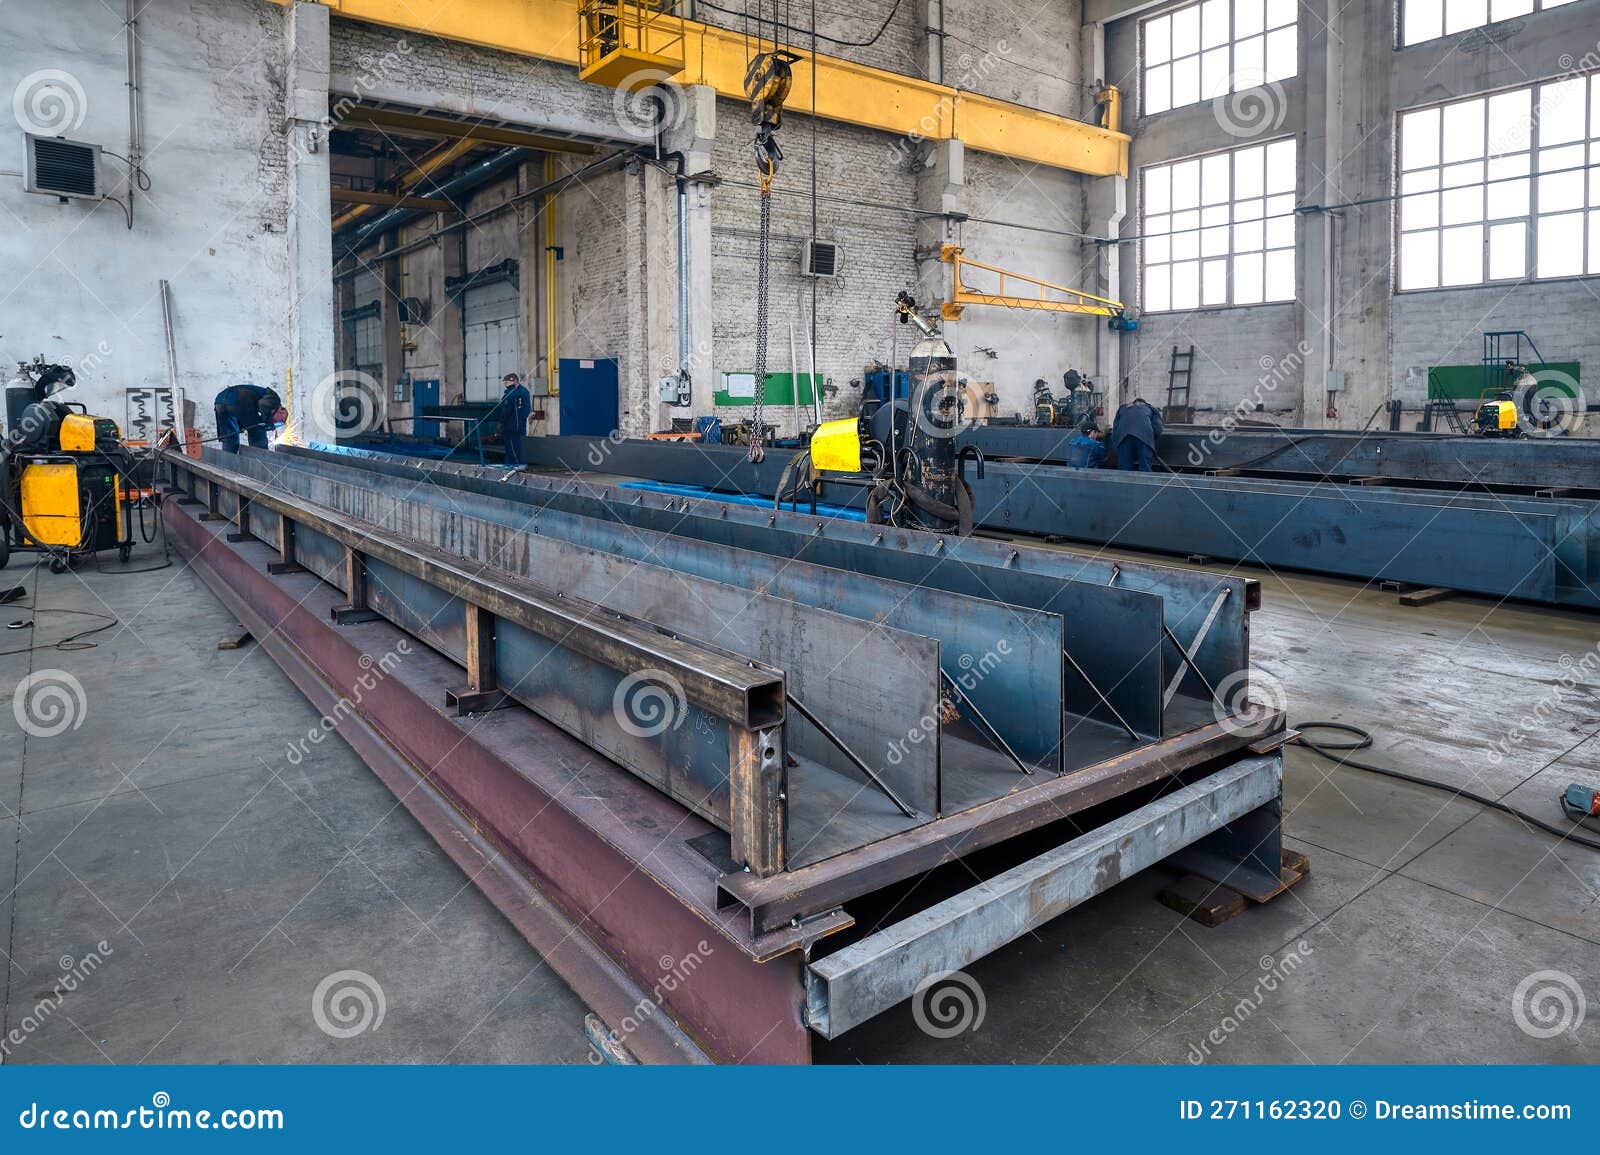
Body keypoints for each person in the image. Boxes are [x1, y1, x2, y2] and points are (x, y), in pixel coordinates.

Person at [214, 383, 283, 452]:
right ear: (281, 412)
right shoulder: (275, 400)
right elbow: (263, 404)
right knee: (258, 433)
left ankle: (228, 461)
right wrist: (267, 422)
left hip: (219, 402)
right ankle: (260, 460)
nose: (276, 422)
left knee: (230, 438)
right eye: (281, 421)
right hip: (238, 400)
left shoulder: (270, 404)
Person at [1110, 395, 1163, 472]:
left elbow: (1115, 428)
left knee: (1124, 469)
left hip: (1123, 437)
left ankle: (1125, 483)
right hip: (1144, 437)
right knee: (1145, 468)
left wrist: (1116, 445)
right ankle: (1144, 483)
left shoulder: (1123, 408)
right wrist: (1150, 439)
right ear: (1144, 403)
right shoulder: (1151, 408)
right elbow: (1158, 428)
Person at [498, 372, 532, 466]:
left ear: (514, 381)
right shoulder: (524, 391)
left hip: (511, 425)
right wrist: (522, 420)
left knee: (512, 447)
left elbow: (506, 410)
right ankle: (517, 464)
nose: (505, 384)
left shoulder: (511, 393)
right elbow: (527, 408)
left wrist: (501, 422)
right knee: (519, 446)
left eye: (506, 382)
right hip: (520, 425)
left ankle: (514, 466)